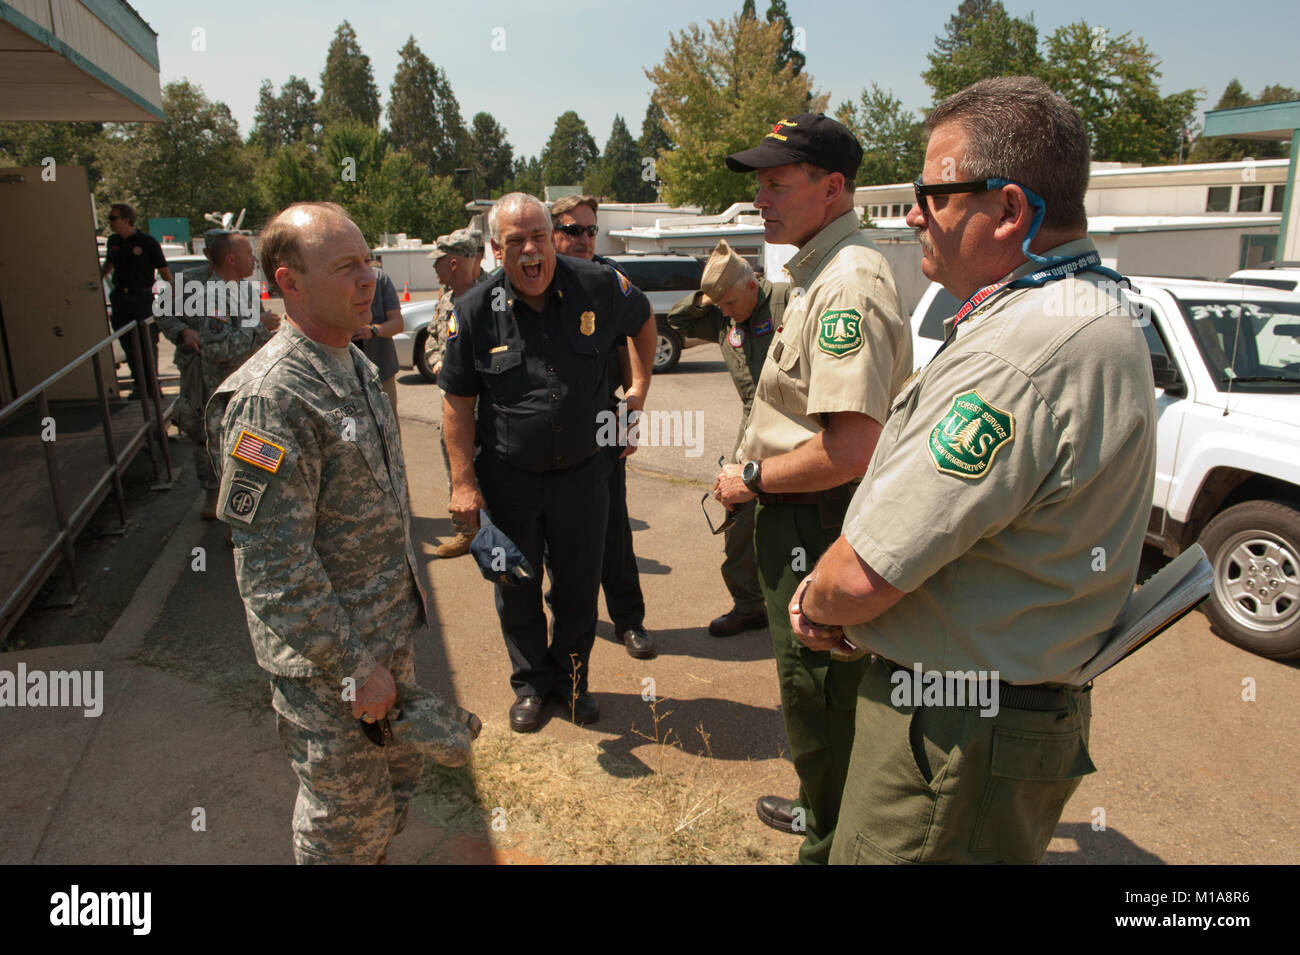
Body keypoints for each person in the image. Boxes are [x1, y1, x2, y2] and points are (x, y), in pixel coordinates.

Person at [789, 77, 1157, 864]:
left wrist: (820, 603)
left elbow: (862, 576)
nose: (914, 211)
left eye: (934, 192)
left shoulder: (1021, 350)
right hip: (993, 719)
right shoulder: (1090, 309)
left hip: (951, 733)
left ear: (1011, 211)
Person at [711, 114, 912, 863]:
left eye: (775, 183)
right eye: (758, 183)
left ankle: (826, 843)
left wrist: (750, 476)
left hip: (816, 523)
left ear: (832, 188)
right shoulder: (820, 270)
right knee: (814, 697)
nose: (760, 199)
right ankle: (818, 809)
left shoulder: (848, 283)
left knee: (822, 696)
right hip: (801, 520)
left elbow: (851, 448)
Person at [207, 201, 428, 864]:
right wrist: (354, 667)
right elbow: (272, 569)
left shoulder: (352, 362)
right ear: (290, 283)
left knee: (391, 796)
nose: (370, 279)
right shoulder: (272, 397)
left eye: (368, 261)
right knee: (345, 824)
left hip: (382, 641)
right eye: (347, 267)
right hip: (332, 667)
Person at [439, 193, 656, 732]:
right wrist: (463, 482)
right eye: (516, 242)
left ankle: (573, 683)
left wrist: (638, 392)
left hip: (586, 475)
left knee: (579, 590)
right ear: (496, 249)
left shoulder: (598, 285)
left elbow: (644, 320)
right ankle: (532, 685)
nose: (531, 251)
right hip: (509, 480)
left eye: (539, 236)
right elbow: (456, 403)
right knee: (515, 585)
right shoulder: (472, 312)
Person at [551, 195, 655, 659]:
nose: (584, 239)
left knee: (614, 528)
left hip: (602, 421)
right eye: (573, 230)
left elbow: (640, 327)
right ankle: (569, 628)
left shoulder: (609, 278)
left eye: (591, 230)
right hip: (549, 430)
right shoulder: (531, 279)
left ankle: (629, 620)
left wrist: (635, 401)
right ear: (551, 232)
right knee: (557, 535)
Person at [667, 239, 785, 637]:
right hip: (751, 424)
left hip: (796, 421)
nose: (727, 314)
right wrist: (710, 297)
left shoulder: (789, 301)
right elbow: (679, 321)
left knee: (803, 516)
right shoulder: (721, 315)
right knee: (738, 514)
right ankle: (749, 605)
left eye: (731, 303)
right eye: (720, 307)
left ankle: (809, 606)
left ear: (752, 285)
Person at [193, 231, 278, 518]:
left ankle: (248, 518)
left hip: (252, 393)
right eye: (247, 254)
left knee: (254, 461)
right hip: (229, 399)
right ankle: (235, 526)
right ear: (231, 259)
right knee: (234, 463)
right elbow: (216, 349)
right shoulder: (214, 296)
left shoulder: (242, 290)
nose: (253, 259)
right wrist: (258, 326)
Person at [424, 229, 488, 558]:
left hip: (487, 405)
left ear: (453, 263)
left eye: (437, 262)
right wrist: (437, 363)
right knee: (457, 464)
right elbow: (434, 338)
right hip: (452, 403)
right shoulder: (445, 296)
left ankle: (496, 532)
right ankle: (466, 532)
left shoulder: (493, 294)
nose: (433, 269)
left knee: (492, 467)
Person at [100, 202, 172, 398]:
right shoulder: (113, 241)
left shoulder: (147, 242)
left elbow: (164, 271)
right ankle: (139, 386)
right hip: (121, 299)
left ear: (126, 220)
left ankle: (152, 386)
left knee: (147, 343)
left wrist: (175, 294)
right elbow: (108, 265)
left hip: (142, 298)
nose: (110, 222)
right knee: (128, 344)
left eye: (113, 218)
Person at [352, 257, 404, 429]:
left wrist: (373, 330)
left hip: (381, 371)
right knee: (352, 430)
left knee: (388, 425)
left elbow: (398, 324)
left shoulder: (380, 280)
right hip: (346, 376)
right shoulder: (334, 281)